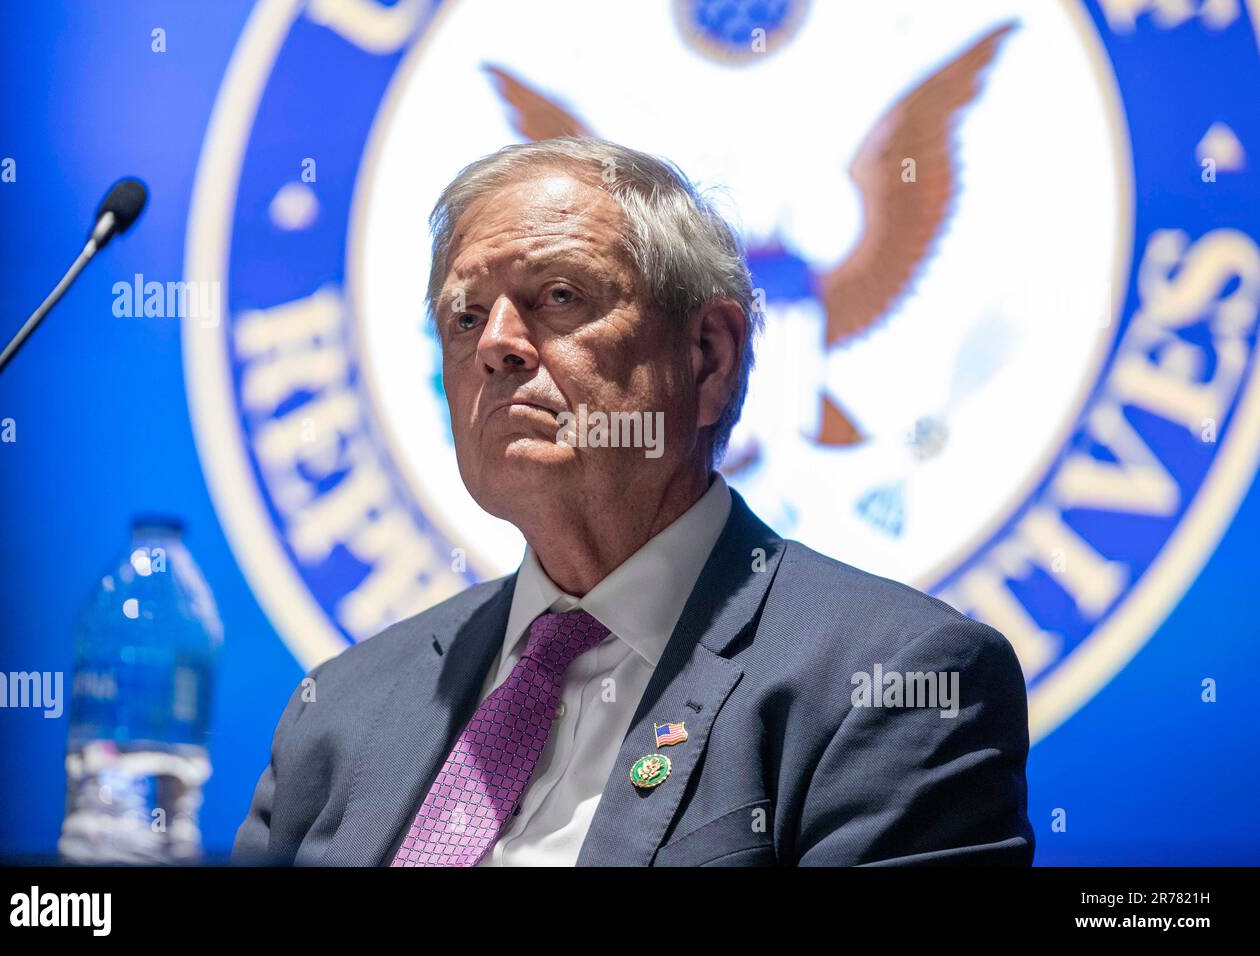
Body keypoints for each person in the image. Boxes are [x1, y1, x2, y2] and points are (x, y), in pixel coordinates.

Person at [233, 137, 1033, 866]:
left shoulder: (894, 681)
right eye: (464, 316)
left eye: (557, 297)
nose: (495, 344)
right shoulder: (338, 710)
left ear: (708, 356)